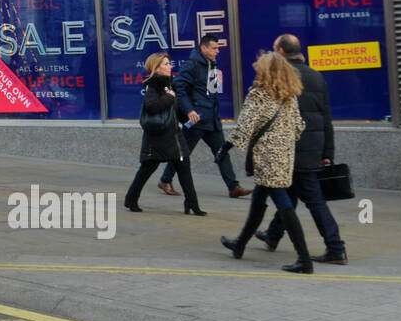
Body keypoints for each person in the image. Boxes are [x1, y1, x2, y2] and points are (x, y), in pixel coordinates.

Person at [254, 34, 348, 264]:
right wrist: (327, 153)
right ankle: (273, 235)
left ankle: (336, 248)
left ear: (282, 52)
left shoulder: (279, 77)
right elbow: (326, 119)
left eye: (275, 48)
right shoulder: (316, 77)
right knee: (291, 193)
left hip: (289, 147)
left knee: (312, 198)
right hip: (313, 149)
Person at [219, 52, 312, 273]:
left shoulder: (259, 94)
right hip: (284, 156)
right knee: (259, 200)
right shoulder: (290, 95)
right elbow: (299, 126)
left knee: (284, 205)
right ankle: (240, 244)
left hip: (266, 158)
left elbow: (245, 125)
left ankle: (305, 260)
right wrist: (284, 141)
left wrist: (225, 148)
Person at [158, 34, 252, 199]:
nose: (217, 51)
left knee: (222, 152)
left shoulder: (213, 65)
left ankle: (233, 187)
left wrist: (216, 115)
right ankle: (165, 180)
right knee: (183, 153)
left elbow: (213, 93)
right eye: (214, 48)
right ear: (203, 48)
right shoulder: (191, 65)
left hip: (212, 120)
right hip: (196, 120)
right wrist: (189, 110)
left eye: (218, 48)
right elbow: (178, 87)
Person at [124, 53, 206, 215]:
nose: (170, 66)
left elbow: (173, 109)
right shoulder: (152, 85)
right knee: (147, 168)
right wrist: (169, 97)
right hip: (158, 137)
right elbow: (152, 106)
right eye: (166, 64)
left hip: (174, 135)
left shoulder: (170, 84)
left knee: (184, 168)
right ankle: (131, 199)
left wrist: (188, 115)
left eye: (169, 63)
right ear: (157, 67)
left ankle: (192, 204)